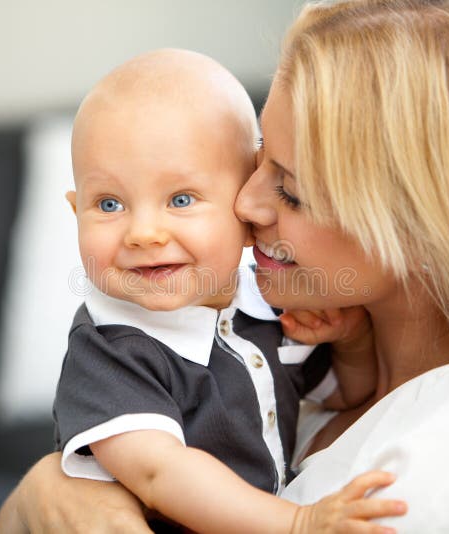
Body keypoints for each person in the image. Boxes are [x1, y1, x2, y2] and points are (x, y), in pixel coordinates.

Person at [0, 0, 449, 532]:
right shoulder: (296, 340)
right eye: (259, 161)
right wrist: (39, 496)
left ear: (425, 230)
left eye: (291, 190)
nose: (245, 203)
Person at [51, 48, 406, 533]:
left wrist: (351, 342)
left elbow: (347, 394)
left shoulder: (263, 306)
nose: (143, 233)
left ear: (244, 211)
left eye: (180, 199)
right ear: (76, 212)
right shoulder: (111, 347)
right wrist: (298, 523)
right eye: (109, 204)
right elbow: (160, 472)